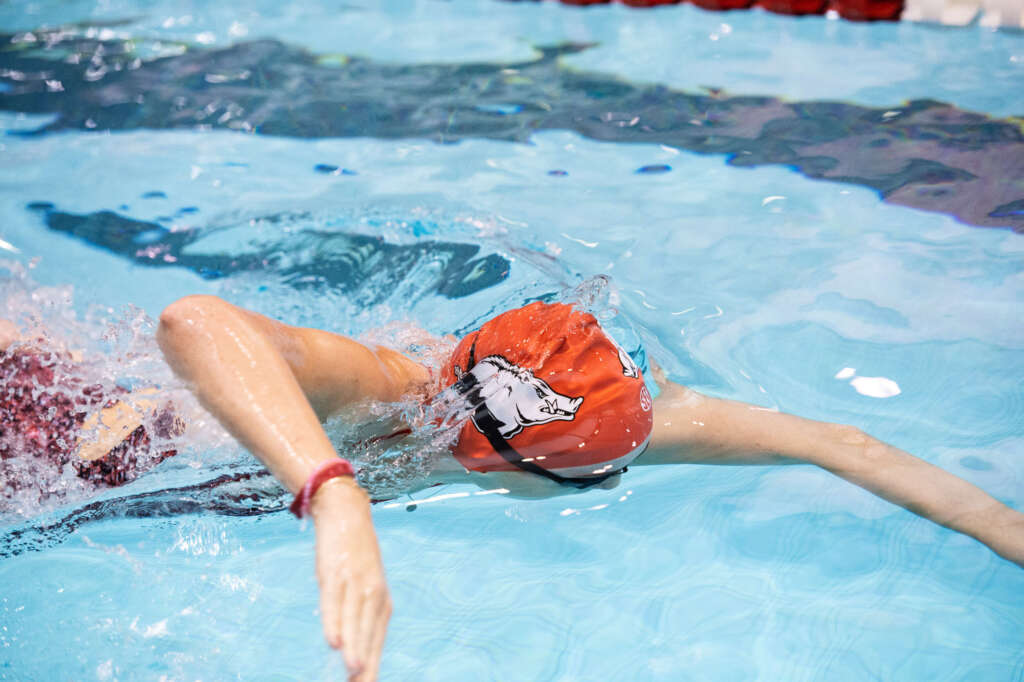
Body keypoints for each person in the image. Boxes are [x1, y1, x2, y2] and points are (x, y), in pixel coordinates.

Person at [146, 294, 1024, 682]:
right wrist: (335, 492)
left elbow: (842, 444)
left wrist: (1005, 527)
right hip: (116, 444)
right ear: (513, 471)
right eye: (594, 481)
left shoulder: (629, 417)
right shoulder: (383, 387)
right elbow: (194, 324)